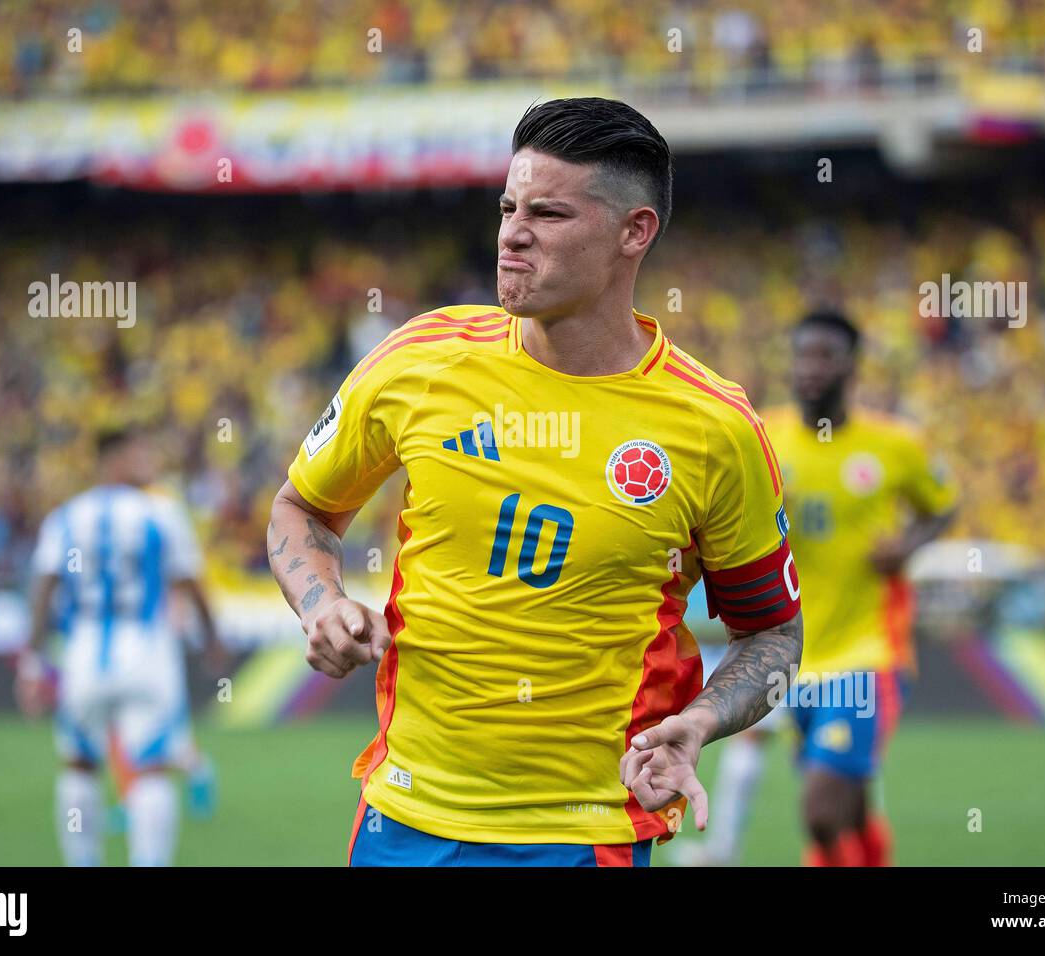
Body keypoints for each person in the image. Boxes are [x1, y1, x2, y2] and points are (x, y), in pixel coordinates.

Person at [267, 97, 803, 867]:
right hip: (402, 819)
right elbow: (301, 511)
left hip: (586, 836)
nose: (512, 233)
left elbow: (774, 632)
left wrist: (704, 718)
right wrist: (321, 604)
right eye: (508, 206)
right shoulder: (420, 360)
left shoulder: (713, 428)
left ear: (634, 231)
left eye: (549, 214)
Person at [753, 309, 959, 866]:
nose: (810, 369)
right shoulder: (763, 438)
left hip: (868, 652)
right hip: (793, 655)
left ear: (851, 366)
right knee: (854, 808)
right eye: (802, 356)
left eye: (825, 356)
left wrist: (908, 546)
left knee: (821, 811)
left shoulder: (896, 444)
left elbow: (943, 506)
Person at [16, 424, 228, 866]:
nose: (146, 462)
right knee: (150, 768)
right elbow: (191, 582)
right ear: (113, 458)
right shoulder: (162, 513)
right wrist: (212, 641)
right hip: (148, 653)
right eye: (138, 453)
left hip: (84, 652)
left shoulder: (68, 516)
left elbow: (43, 589)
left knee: (79, 763)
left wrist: (33, 661)